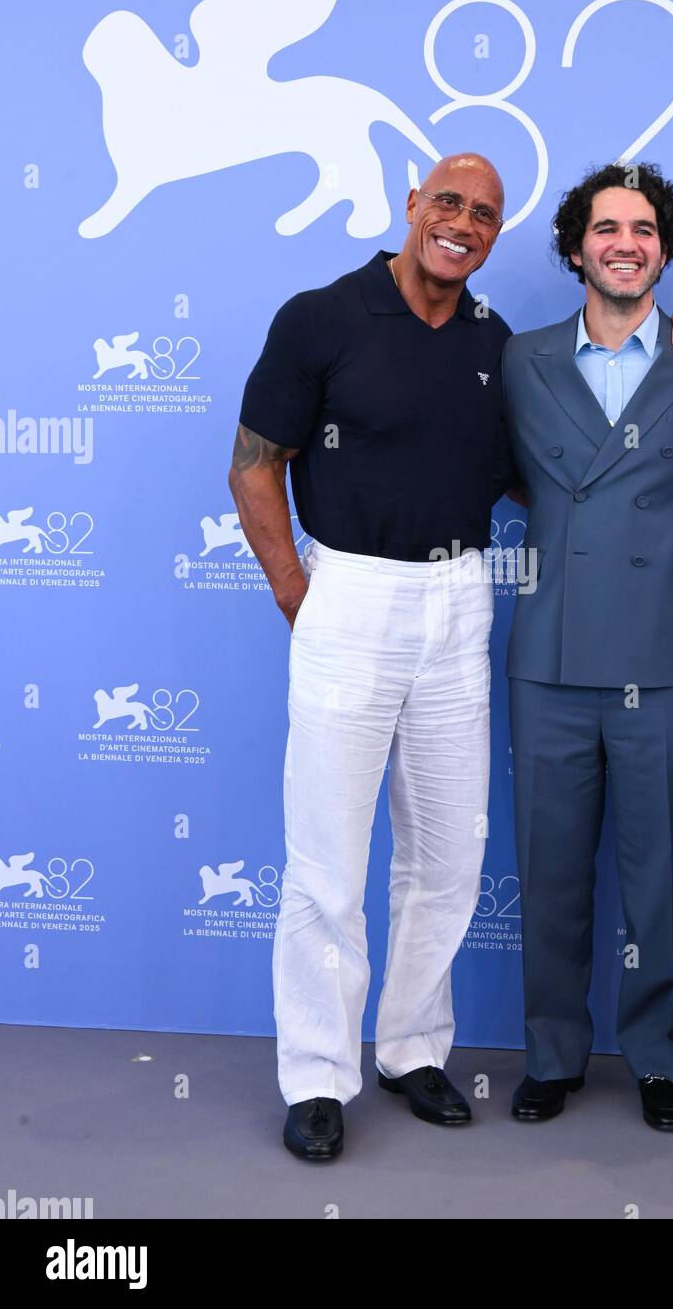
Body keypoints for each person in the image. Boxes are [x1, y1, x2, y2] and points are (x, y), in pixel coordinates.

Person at [229, 152, 518, 1160]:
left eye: (484, 215)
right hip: (349, 591)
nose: (462, 224)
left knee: (448, 853)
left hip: (460, 599)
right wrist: (296, 591)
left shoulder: (493, 341)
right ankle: (317, 1074)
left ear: (494, 235)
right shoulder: (320, 317)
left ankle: (411, 1048)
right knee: (327, 860)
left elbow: (538, 469)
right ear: (411, 206)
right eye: (449, 202)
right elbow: (254, 464)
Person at [501, 163, 673, 1130]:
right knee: (549, 866)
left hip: (662, 647)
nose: (625, 244)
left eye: (643, 230)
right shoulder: (519, 358)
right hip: (550, 647)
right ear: (576, 249)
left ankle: (662, 1060)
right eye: (606, 229)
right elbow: (500, 471)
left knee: (661, 871)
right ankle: (552, 1055)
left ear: (665, 250)